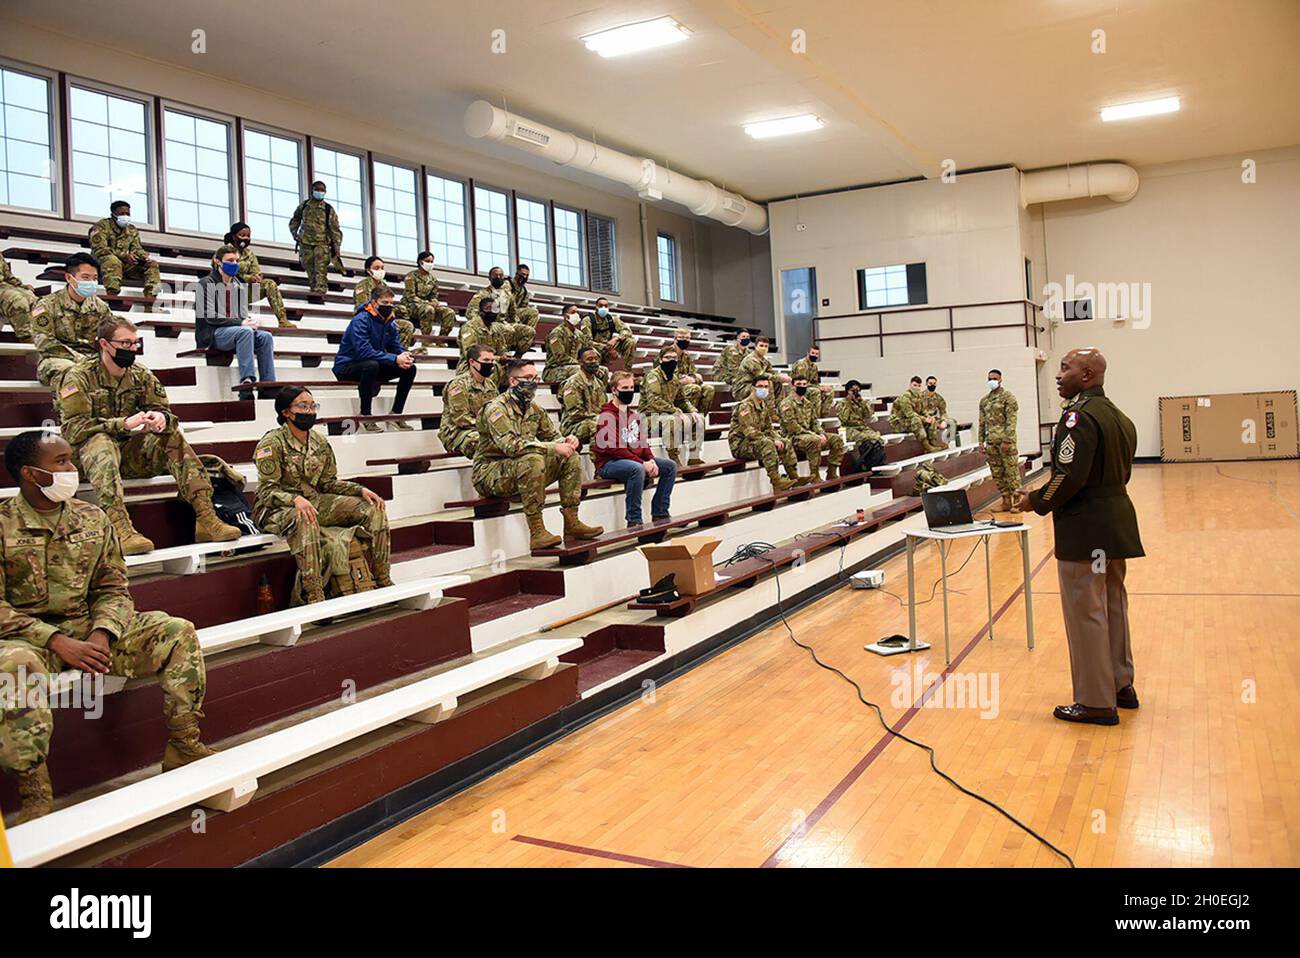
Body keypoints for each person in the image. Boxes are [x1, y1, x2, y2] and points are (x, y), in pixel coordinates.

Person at [0, 430, 215, 823]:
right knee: (13, 666)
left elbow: (114, 586)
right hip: (26, 638)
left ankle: (184, 744)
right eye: (61, 462)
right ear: (30, 474)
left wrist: (103, 632)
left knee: (176, 631)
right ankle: (34, 792)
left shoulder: (92, 516)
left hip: (90, 631)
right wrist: (56, 640)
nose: (72, 468)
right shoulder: (2, 523)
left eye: (70, 458)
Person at [1019, 349, 1143, 727]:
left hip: (1085, 527)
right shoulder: (1119, 417)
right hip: (1114, 523)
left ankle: (1094, 700)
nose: (1058, 375)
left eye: (1066, 367)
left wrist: (1036, 501)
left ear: (1087, 374)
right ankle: (1121, 685)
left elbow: (1070, 476)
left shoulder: (1078, 418)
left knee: (1086, 610)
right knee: (1112, 605)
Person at [56, 317, 242, 555]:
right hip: (88, 461)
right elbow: (73, 429)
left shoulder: (140, 374)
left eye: (135, 343)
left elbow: (167, 413)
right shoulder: (78, 376)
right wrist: (122, 424)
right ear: (104, 344)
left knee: (171, 435)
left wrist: (161, 418)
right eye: (125, 343)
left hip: (129, 456)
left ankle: (206, 518)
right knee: (101, 442)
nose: (132, 349)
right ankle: (120, 528)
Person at [253, 387, 392, 604]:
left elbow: (327, 482)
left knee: (373, 509)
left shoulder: (319, 441)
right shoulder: (271, 443)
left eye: (312, 406)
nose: (309, 411)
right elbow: (266, 491)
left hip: (313, 502)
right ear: (285, 412)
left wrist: (360, 490)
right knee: (306, 519)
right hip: (275, 509)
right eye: (302, 406)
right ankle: (315, 595)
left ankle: (382, 580)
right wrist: (294, 500)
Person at [472, 360, 603, 550]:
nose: (533, 382)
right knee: (532, 460)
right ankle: (537, 532)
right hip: (490, 472)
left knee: (570, 456)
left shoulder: (534, 409)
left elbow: (553, 436)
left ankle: (572, 522)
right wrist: (553, 447)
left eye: (535, 378)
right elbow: (511, 446)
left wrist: (568, 441)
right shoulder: (496, 409)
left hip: (518, 469)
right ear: (513, 382)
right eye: (527, 378)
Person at [194, 244, 277, 400]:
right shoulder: (205, 283)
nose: (234, 264)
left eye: (237, 260)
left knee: (265, 336)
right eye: (230, 260)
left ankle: (268, 384)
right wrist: (241, 323)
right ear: (218, 262)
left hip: (235, 332)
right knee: (244, 331)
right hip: (213, 333)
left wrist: (248, 320)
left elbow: (241, 314)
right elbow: (209, 316)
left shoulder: (239, 285)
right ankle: (247, 383)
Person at [593, 371, 676, 527]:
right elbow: (615, 449)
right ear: (614, 390)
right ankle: (634, 519)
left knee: (669, 466)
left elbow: (642, 442)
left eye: (632, 387)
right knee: (637, 469)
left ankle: (660, 512)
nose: (629, 391)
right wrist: (643, 463)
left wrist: (650, 459)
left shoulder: (633, 415)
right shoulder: (607, 416)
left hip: (633, 460)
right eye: (625, 387)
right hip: (609, 463)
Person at [333, 287, 417, 433]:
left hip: (374, 364)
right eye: (385, 302)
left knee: (410, 368)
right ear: (374, 302)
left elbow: (395, 345)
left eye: (391, 303)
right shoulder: (360, 320)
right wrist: (394, 358)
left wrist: (404, 355)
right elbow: (363, 351)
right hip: (347, 365)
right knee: (370, 365)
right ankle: (366, 416)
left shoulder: (389, 321)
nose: (389, 307)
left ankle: (396, 414)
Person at [30, 252, 114, 391]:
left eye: (94, 278)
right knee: (72, 372)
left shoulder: (100, 307)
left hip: (92, 359)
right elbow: (44, 342)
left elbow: (111, 335)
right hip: (55, 359)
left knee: (128, 371)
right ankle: (73, 412)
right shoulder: (46, 305)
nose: (91, 283)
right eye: (85, 277)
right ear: (69, 278)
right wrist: (81, 360)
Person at [729, 375, 797, 492]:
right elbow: (750, 432)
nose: (763, 389)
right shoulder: (745, 406)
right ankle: (776, 481)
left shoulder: (763, 405)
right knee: (767, 443)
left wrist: (777, 438)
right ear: (753, 388)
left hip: (756, 442)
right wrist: (772, 440)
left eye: (766, 387)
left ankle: (794, 477)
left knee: (785, 441)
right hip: (740, 445)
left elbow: (768, 429)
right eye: (760, 386)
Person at [640, 344, 704, 467]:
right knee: (672, 420)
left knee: (698, 418)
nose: (671, 361)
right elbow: (655, 401)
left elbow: (682, 400)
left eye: (674, 358)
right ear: (660, 360)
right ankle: (674, 458)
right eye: (667, 358)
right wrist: (676, 411)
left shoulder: (674, 378)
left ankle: (694, 457)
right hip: (648, 417)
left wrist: (692, 410)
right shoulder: (653, 376)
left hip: (666, 414)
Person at [224, 222, 296, 328]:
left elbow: (256, 271)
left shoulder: (249, 254)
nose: (245, 238)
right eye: (242, 235)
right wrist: (249, 278)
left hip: (245, 290)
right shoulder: (225, 252)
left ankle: (282, 320)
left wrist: (257, 278)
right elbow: (227, 273)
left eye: (248, 236)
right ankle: (237, 319)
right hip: (228, 291)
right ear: (234, 236)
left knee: (269, 284)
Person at [779, 376, 845, 484]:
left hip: (809, 435)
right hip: (793, 437)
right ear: (792, 386)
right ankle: (815, 475)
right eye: (799, 384)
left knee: (836, 439)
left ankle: (831, 472)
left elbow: (814, 422)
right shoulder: (786, 404)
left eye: (804, 384)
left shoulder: (808, 403)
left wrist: (821, 433)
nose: (802, 387)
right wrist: (814, 435)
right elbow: (792, 427)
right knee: (814, 441)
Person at [88, 201, 160, 299]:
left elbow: (136, 248)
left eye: (127, 214)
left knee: (152, 264)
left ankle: (150, 299)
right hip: (102, 263)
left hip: (125, 264)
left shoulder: (131, 229)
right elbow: (100, 249)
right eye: (122, 214)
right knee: (113, 260)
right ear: (113, 214)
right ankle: (112, 296)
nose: (125, 216)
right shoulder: (101, 226)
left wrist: (142, 255)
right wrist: (124, 256)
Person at [439, 343, 498, 459]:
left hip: (483, 430)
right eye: (486, 360)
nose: (490, 364)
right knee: (486, 443)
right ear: (472, 362)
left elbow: (496, 410)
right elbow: (461, 419)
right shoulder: (458, 385)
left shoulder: (490, 384)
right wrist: (489, 429)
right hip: (457, 433)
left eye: (492, 361)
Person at [353, 256, 417, 352]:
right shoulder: (362, 286)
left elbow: (389, 303)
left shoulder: (384, 285)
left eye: (382, 268)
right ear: (368, 270)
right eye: (376, 268)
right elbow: (363, 307)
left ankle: (399, 353)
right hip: (369, 320)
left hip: (384, 318)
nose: (380, 270)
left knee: (407, 325)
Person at [288, 180, 342, 293]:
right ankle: (314, 288)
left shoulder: (328, 209)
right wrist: (294, 233)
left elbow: (335, 229)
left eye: (322, 190)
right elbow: (295, 219)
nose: (319, 192)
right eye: (317, 189)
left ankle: (320, 290)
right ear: (312, 191)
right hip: (305, 242)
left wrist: (337, 247)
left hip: (322, 244)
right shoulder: (304, 206)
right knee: (308, 266)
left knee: (320, 268)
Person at [979, 369, 1021, 513]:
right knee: (997, 473)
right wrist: (981, 442)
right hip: (991, 442)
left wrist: (1007, 440)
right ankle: (1005, 501)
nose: (992, 381)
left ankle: (1017, 501)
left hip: (1005, 442)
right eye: (990, 378)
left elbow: (1011, 421)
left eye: (995, 378)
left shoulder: (1008, 397)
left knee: (1011, 471)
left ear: (1001, 379)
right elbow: (981, 423)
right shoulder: (984, 401)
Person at [456, 291, 514, 391]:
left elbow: (502, 350)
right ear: (482, 311)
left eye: (496, 309)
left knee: (517, 369)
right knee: (493, 366)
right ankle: (488, 396)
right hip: (470, 366)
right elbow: (470, 353)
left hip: (492, 363)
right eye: (489, 309)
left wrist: (507, 359)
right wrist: (498, 359)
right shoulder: (470, 327)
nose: (494, 312)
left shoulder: (495, 328)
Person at [466, 267, 530, 355]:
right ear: (490, 278)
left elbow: (513, 314)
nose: (498, 277)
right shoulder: (482, 293)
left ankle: (517, 357)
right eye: (495, 275)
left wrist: (516, 324)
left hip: (504, 323)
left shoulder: (508, 295)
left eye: (501, 275)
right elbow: (471, 312)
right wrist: (482, 323)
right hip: (490, 323)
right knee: (499, 328)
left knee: (529, 331)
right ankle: (500, 353)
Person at [560, 346, 608, 444]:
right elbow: (575, 414)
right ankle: (599, 458)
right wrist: (599, 417)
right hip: (572, 426)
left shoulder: (598, 382)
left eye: (596, 359)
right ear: (581, 362)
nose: (594, 362)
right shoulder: (573, 383)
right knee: (597, 424)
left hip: (593, 421)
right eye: (590, 359)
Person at [403, 251, 457, 337]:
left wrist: (435, 301)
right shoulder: (411, 276)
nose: (430, 263)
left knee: (449, 312)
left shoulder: (433, 279)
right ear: (421, 262)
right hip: (411, 306)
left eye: (432, 261)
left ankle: (441, 339)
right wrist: (428, 303)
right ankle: (426, 338)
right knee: (429, 309)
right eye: (428, 261)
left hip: (427, 306)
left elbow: (433, 295)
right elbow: (410, 296)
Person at [889, 376, 942, 452]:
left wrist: (928, 417)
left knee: (932, 419)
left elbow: (923, 410)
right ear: (910, 385)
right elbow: (910, 414)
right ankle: (927, 446)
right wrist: (925, 419)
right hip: (898, 423)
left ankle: (933, 443)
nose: (916, 388)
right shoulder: (905, 397)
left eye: (919, 386)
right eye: (914, 385)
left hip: (908, 422)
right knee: (916, 420)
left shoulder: (919, 396)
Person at [544, 304, 593, 386]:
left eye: (577, 312)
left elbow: (585, 352)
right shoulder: (556, 333)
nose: (577, 315)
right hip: (554, 370)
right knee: (578, 370)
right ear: (566, 316)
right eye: (573, 312)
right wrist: (581, 364)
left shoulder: (579, 334)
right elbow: (560, 357)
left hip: (575, 366)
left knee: (602, 370)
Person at [582, 297, 635, 369]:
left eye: (606, 306)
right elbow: (587, 341)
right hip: (596, 349)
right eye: (600, 306)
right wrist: (607, 348)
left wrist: (616, 338)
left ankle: (627, 370)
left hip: (609, 348)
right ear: (596, 307)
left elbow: (627, 331)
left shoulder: (612, 319)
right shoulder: (588, 320)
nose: (603, 308)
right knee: (591, 351)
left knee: (631, 341)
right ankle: (594, 374)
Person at [734, 335, 787, 403]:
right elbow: (761, 375)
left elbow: (772, 373)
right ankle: (768, 410)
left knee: (778, 383)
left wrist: (781, 377)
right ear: (756, 346)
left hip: (757, 385)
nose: (763, 348)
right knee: (768, 384)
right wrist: (779, 377)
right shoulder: (751, 359)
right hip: (743, 388)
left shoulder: (765, 361)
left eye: (766, 346)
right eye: (761, 345)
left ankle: (778, 407)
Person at [673, 327, 714, 415]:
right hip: (672, 390)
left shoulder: (687, 355)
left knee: (709, 389)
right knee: (695, 388)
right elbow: (670, 378)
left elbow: (697, 377)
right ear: (675, 339)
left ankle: (698, 420)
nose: (685, 340)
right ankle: (688, 420)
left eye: (687, 338)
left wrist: (691, 379)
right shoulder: (668, 354)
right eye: (682, 338)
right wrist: (685, 379)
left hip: (685, 387)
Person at [0, 250, 38, 342]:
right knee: (18, 300)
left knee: (35, 301)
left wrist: (21, 285)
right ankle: (26, 337)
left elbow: (8, 276)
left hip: (3, 286)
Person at [790, 345, 833, 420]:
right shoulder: (802, 364)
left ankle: (823, 415)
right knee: (815, 391)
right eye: (813, 353)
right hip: (797, 388)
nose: (814, 355)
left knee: (830, 391)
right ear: (808, 353)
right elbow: (801, 382)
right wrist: (819, 388)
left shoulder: (814, 366)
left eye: (816, 354)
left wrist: (823, 387)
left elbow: (814, 382)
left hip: (809, 387)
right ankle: (814, 418)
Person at [835, 380, 882, 447]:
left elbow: (868, 415)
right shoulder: (842, 403)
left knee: (877, 438)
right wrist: (849, 402)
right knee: (865, 438)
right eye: (853, 391)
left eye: (857, 390)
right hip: (849, 429)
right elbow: (844, 419)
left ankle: (876, 456)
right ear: (848, 391)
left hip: (862, 428)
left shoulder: (860, 402)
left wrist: (862, 403)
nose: (855, 393)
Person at [921, 375, 958, 448]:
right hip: (924, 419)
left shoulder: (938, 398)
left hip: (934, 418)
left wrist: (944, 421)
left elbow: (943, 411)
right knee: (932, 424)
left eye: (934, 384)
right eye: (930, 383)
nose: (932, 385)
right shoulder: (920, 396)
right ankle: (933, 444)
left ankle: (950, 442)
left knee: (952, 422)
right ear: (926, 384)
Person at [507, 264, 539, 331]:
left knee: (533, 312)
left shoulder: (524, 291)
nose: (524, 277)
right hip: (504, 313)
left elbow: (524, 308)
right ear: (516, 274)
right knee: (533, 312)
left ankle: (528, 333)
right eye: (523, 274)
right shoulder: (507, 284)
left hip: (515, 315)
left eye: (527, 275)